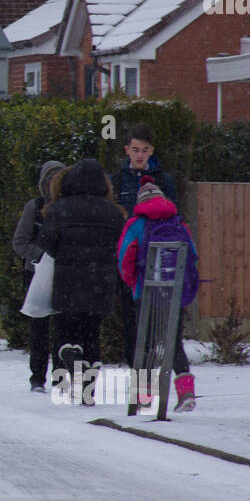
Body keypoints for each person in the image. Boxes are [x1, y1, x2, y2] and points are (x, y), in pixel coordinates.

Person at [40, 158, 127, 405]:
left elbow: (47, 244)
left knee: (66, 329)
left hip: (67, 281)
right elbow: (120, 247)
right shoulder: (113, 212)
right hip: (101, 283)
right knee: (92, 334)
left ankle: (70, 355)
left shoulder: (59, 209)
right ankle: (87, 390)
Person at [116, 175, 200, 411]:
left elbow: (125, 259)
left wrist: (135, 286)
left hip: (146, 293)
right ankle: (186, 392)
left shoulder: (135, 225)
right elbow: (191, 257)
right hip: (173, 294)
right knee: (173, 341)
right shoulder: (179, 224)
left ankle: (144, 396)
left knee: (147, 343)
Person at [109, 123, 178, 369]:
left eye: (145, 150)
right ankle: (135, 366)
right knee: (129, 315)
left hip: (155, 256)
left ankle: (150, 362)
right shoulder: (116, 180)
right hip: (127, 256)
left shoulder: (163, 180)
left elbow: (172, 215)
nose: (140, 155)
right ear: (127, 150)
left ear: (151, 151)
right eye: (136, 150)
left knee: (156, 315)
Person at [12, 159, 65, 393]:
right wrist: (42, 257)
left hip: (64, 274)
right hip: (36, 274)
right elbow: (20, 241)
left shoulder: (68, 207)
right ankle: (37, 377)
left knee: (63, 328)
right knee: (39, 328)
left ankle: (60, 376)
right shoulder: (34, 207)